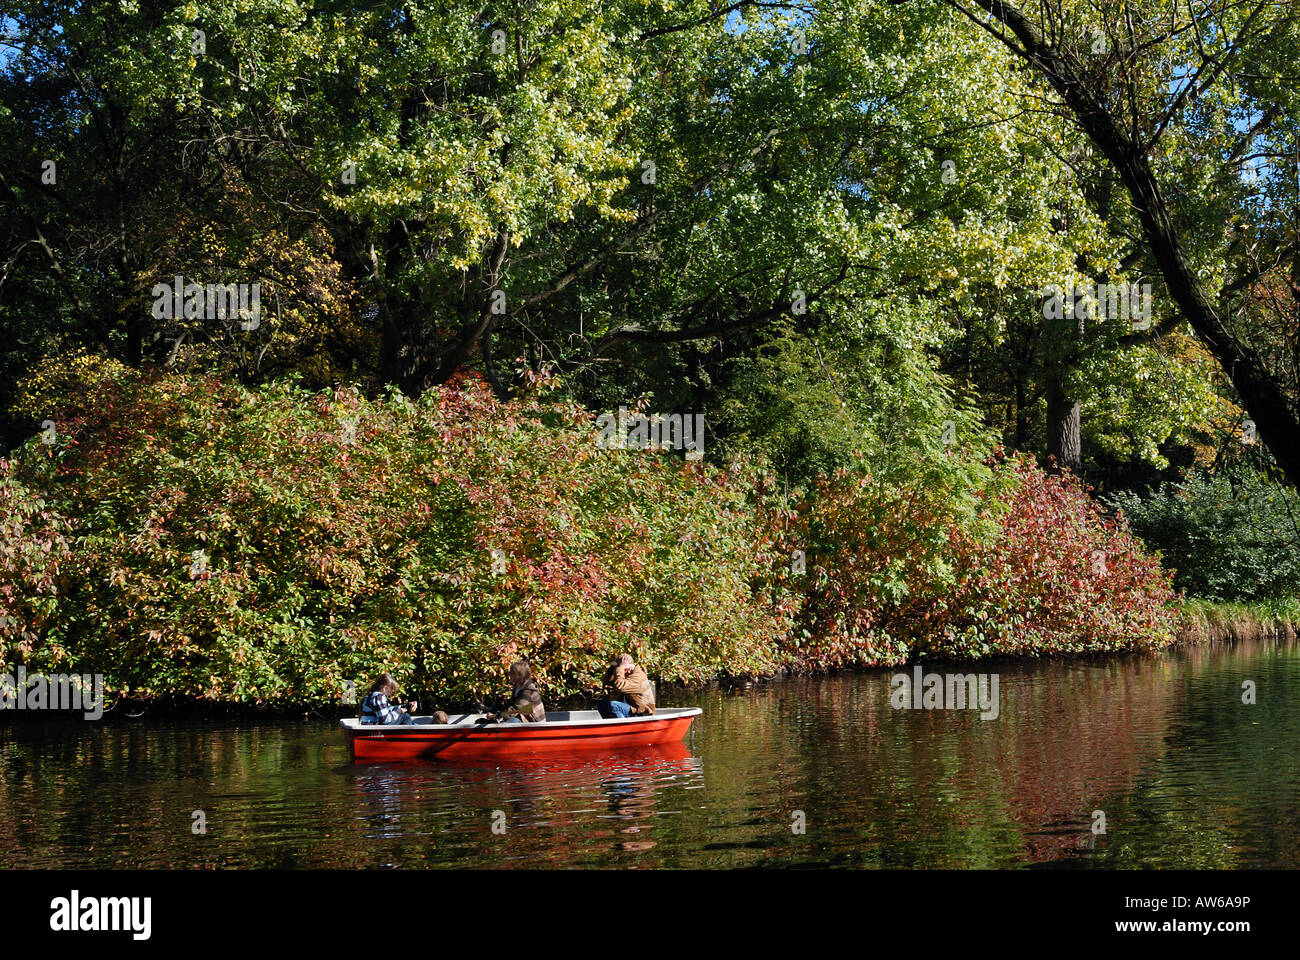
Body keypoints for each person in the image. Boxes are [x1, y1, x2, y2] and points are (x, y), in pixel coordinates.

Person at [479, 661, 546, 723]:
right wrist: (493, 709)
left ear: (519, 675)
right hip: (522, 716)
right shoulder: (518, 687)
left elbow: (516, 709)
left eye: (512, 673)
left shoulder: (529, 691)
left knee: (512, 721)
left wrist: (497, 715)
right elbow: (510, 704)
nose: (509, 674)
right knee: (497, 707)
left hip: (533, 721)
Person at [598, 654, 655, 718]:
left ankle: (622, 727)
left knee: (614, 705)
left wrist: (620, 668)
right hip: (631, 710)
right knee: (601, 704)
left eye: (617, 667)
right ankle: (611, 726)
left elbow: (620, 687)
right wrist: (611, 669)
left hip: (641, 712)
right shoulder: (623, 675)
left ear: (627, 668)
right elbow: (606, 683)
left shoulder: (638, 676)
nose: (616, 669)